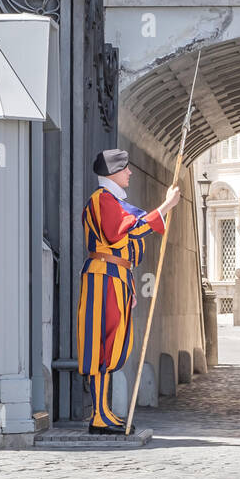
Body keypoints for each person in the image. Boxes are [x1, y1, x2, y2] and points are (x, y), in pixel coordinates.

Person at [79, 148, 180, 435]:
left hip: (116, 278)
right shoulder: (102, 200)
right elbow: (125, 232)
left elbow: (129, 241)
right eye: (125, 168)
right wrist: (165, 206)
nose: (130, 173)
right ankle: (98, 414)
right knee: (101, 345)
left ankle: (103, 410)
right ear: (113, 172)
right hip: (104, 277)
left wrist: (130, 285)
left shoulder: (114, 202)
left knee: (113, 346)